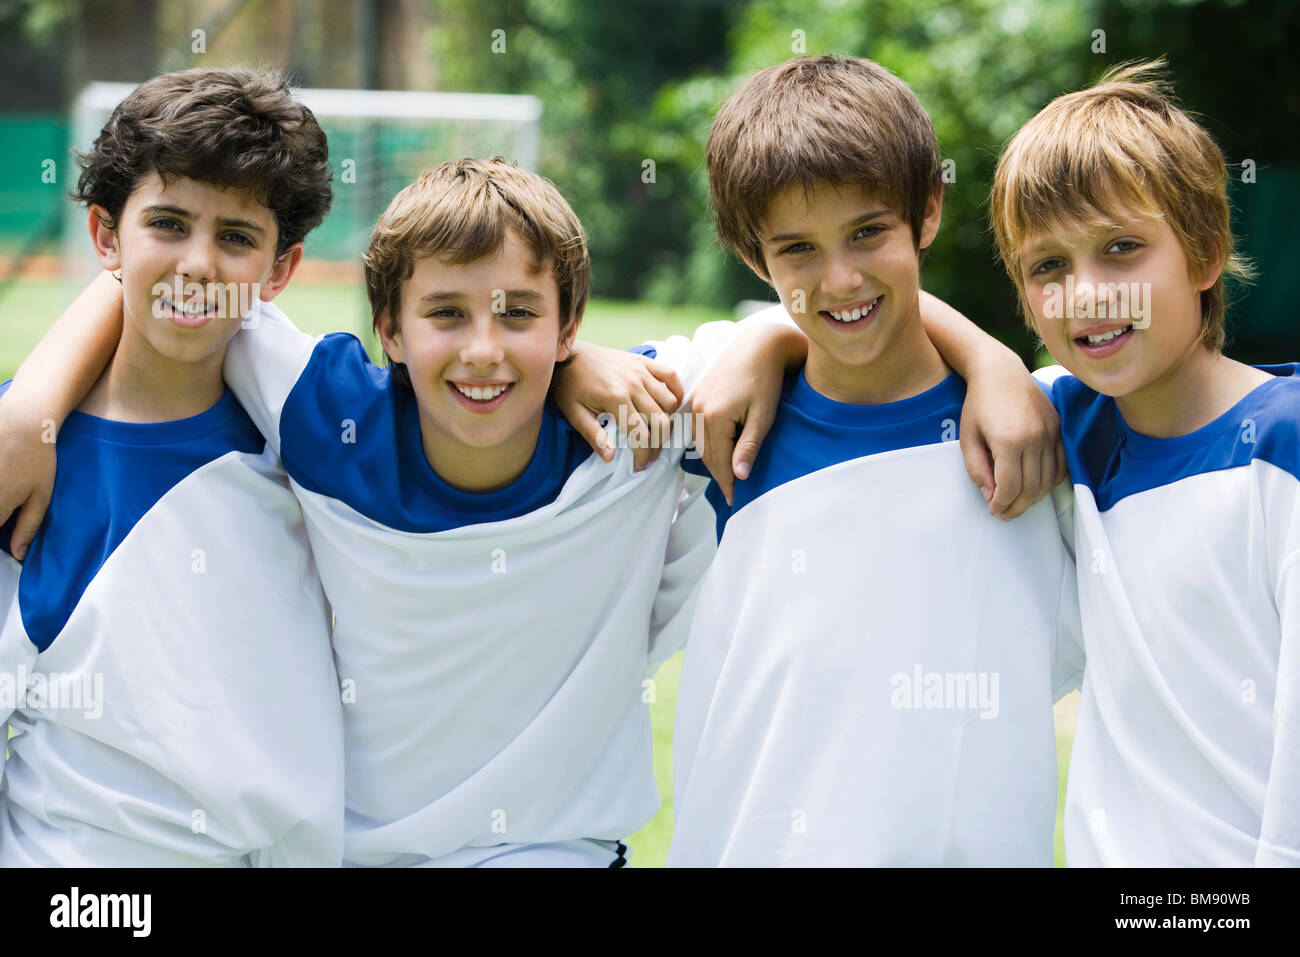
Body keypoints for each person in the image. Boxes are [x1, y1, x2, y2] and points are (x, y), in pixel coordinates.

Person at [667, 55, 1082, 866]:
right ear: (757, 259)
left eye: (868, 232)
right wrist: (764, 334)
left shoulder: (1043, 430)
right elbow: (539, 367)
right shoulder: (714, 404)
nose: (841, 277)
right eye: (798, 249)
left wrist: (993, 361)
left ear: (927, 213)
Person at [0, 66, 344, 865]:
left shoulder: (321, 444)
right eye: (167, 223)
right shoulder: (21, 455)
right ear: (105, 237)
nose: (197, 265)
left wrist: (577, 366)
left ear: (280, 268)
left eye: (235, 237)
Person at [991, 60, 1299, 867]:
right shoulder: (1072, 420)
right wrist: (774, 336)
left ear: (1204, 256)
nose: (1088, 293)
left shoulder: (1285, 447)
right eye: (1048, 266)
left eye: (1121, 248)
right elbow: (904, 359)